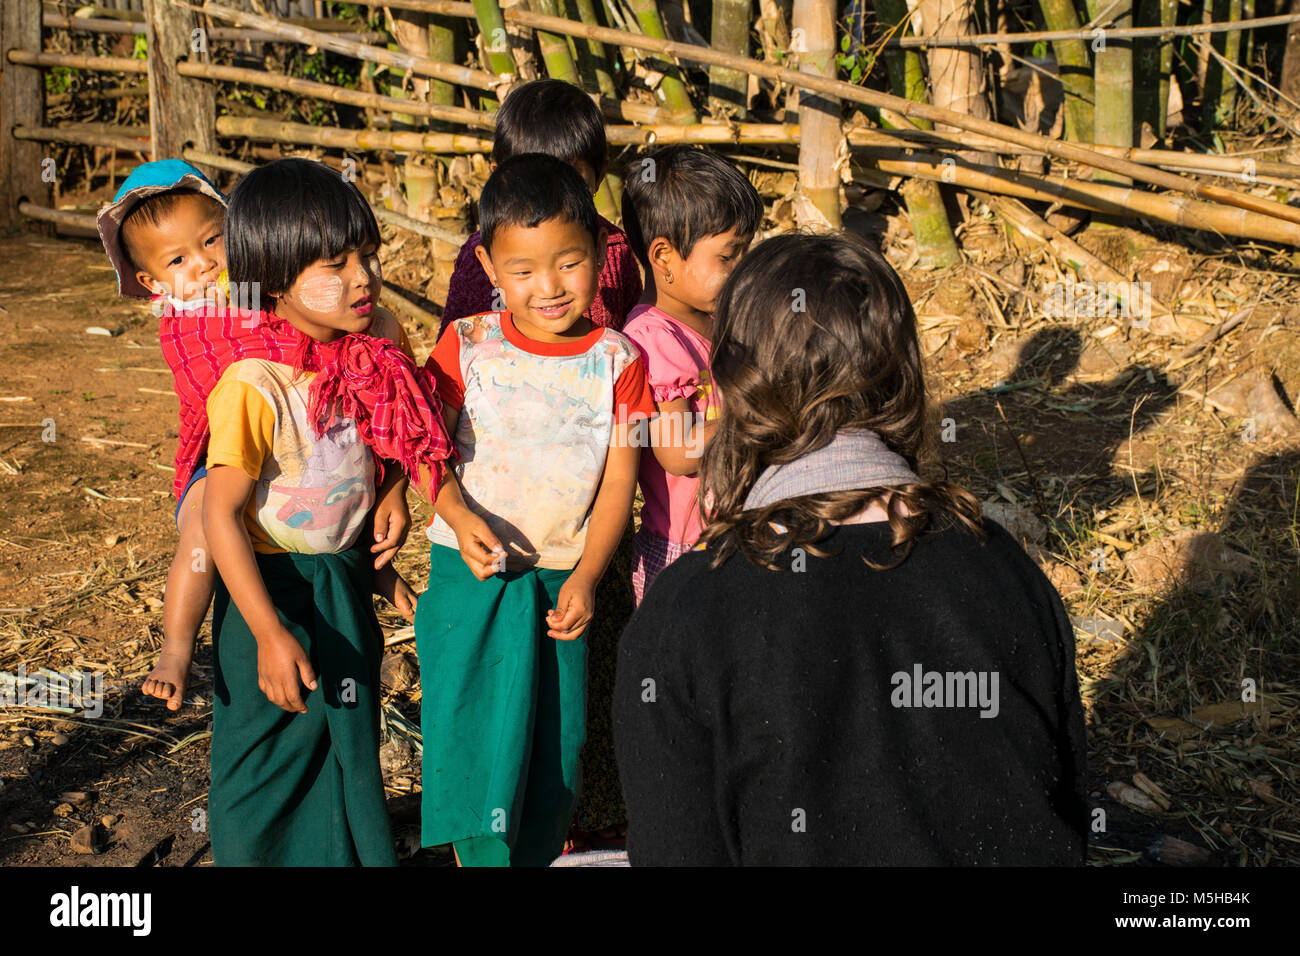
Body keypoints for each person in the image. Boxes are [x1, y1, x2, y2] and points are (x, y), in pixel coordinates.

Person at [613, 233, 1089, 865]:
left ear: (735, 386)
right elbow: (1065, 809)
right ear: (902, 375)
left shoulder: (685, 610)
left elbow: (677, 848)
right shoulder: (1004, 566)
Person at [96, 160, 420, 713]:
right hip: (223, 448)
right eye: (178, 260)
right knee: (204, 525)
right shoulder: (185, 321)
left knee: (346, 485)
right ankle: (176, 647)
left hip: (303, 430)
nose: (203, 264)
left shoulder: (261, 287)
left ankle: (376, 573)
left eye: (213, 239)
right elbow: (218, 385)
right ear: (151, 282)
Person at [201, 158, 451, 865]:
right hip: (269, 592)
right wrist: (268, 633)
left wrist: (396, 492)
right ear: (275, 280)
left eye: (368, 257)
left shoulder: (377, 351)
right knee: (265, 757)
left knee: (348, 740)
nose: (363, 278)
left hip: (342, 584)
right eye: (335, 265)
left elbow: (390, 441)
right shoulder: (257, 387)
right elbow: (220, 519)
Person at [418, 153, 655, 867]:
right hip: (470, 573)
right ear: (489, 268)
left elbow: (621, 483)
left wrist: (587, 576)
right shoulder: (466, 345)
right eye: (523, 270)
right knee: (469, 732)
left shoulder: (619, 361)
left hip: (562, 581)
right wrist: (456, 515)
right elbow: (423, 448)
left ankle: (539, 855)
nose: (549, 288)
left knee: (557, 742)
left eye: (568, 264)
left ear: (599, 256)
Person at [619, 146, 762, 603]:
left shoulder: (719, 319)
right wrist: (762, 419)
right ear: (663, 257)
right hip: (686, 552)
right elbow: (679, 450)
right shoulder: (653, 338)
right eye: (728, 257)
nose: (741, 271)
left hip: (733, 533)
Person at [440, 78, 641, 333]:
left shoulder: (614, 248)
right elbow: (456, 344)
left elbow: (633, 337)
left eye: (570, 178)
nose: (549, 198)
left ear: (599, 173)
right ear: (496, 175)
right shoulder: (482, 257)